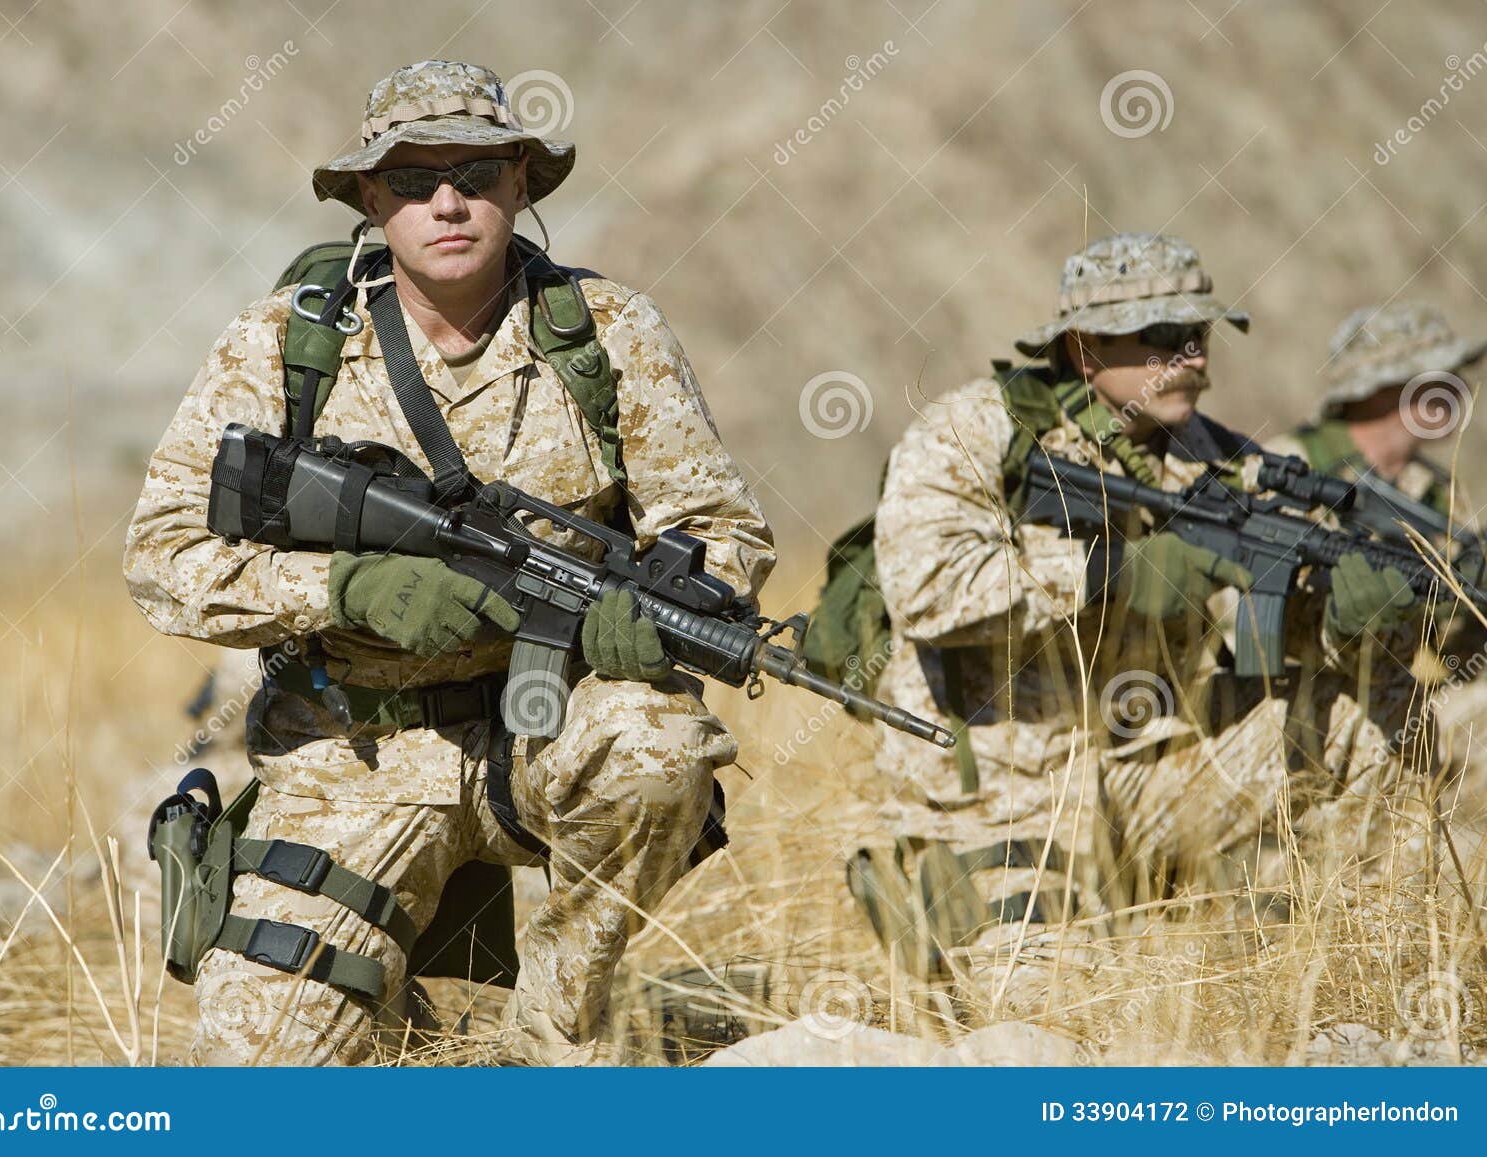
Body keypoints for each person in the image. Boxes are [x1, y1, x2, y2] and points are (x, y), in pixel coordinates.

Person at [123, 60, 775, 1065]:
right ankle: (404, 996)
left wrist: (660, 607)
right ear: (371, 196)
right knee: (261, 1079)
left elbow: (720, 525)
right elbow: (162, 554)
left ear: (520, 182)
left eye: (475, 171)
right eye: (414, 178)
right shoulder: (283, 344)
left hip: (546, 725)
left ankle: (554, 1025)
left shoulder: (608, 335)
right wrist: (344, 588)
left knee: (660, 748)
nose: (448, 201)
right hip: (350, 750)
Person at [854, 233, 1435, 1015]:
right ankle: (944, 915)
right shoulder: (972, 433)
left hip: (1152, 773)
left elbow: (1293, 607)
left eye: (1202, 336)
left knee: (1372, 709)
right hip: (1000, 798)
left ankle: (1369, 972)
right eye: (1165, 338)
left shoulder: (1217, 458)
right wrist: (1114, 573)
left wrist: (1351, 613)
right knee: (1058, 1026)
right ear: (1085, 348)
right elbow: (925, 590)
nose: (1192, 356)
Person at [1266, 301, 1485, 783]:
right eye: (1443, 377)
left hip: (1395, 699)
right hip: (1291, 711)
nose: (1463, 391)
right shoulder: (1291, 465)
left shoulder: (1436, 496)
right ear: (1385, 388)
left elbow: (1446, 649)